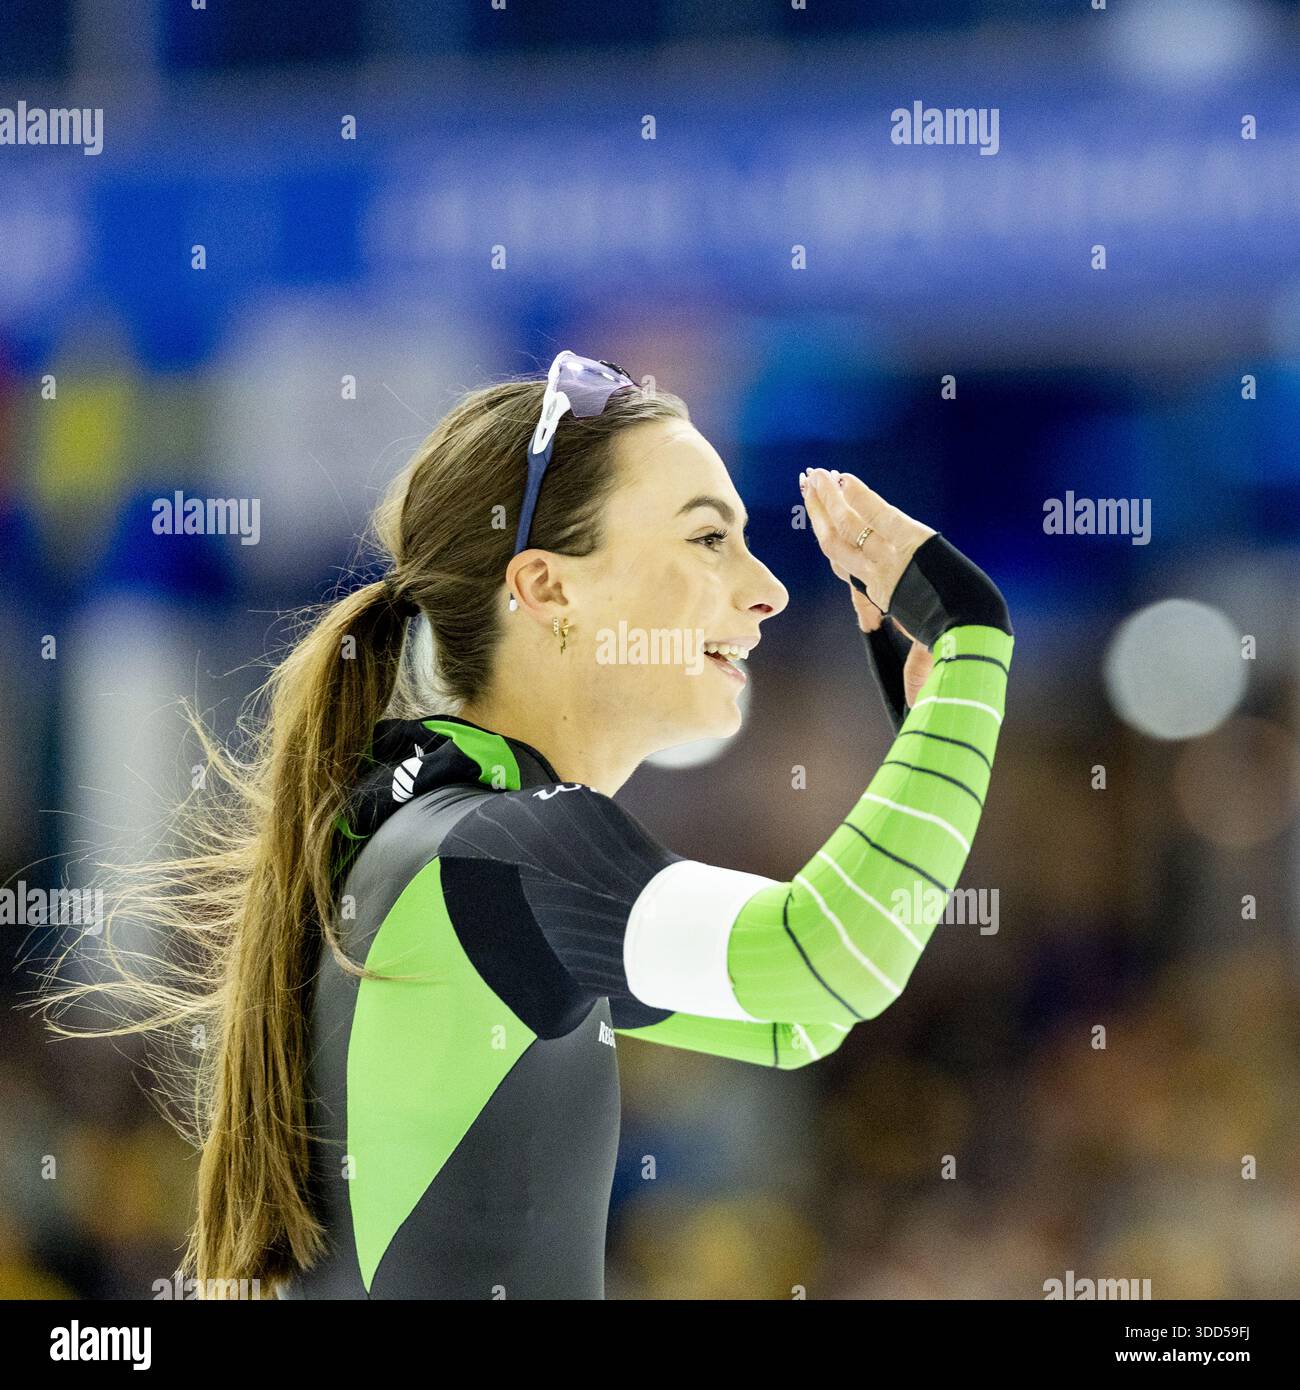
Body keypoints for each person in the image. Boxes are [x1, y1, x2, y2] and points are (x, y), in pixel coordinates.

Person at [40, 351, 1013, 1300]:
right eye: (708, 538)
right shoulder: (500, 847)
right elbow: (822, 958)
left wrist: (929, 736)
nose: (765, 588)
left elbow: (795, 1016)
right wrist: (971, 643)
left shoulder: (432, 839)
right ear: (548, 588)